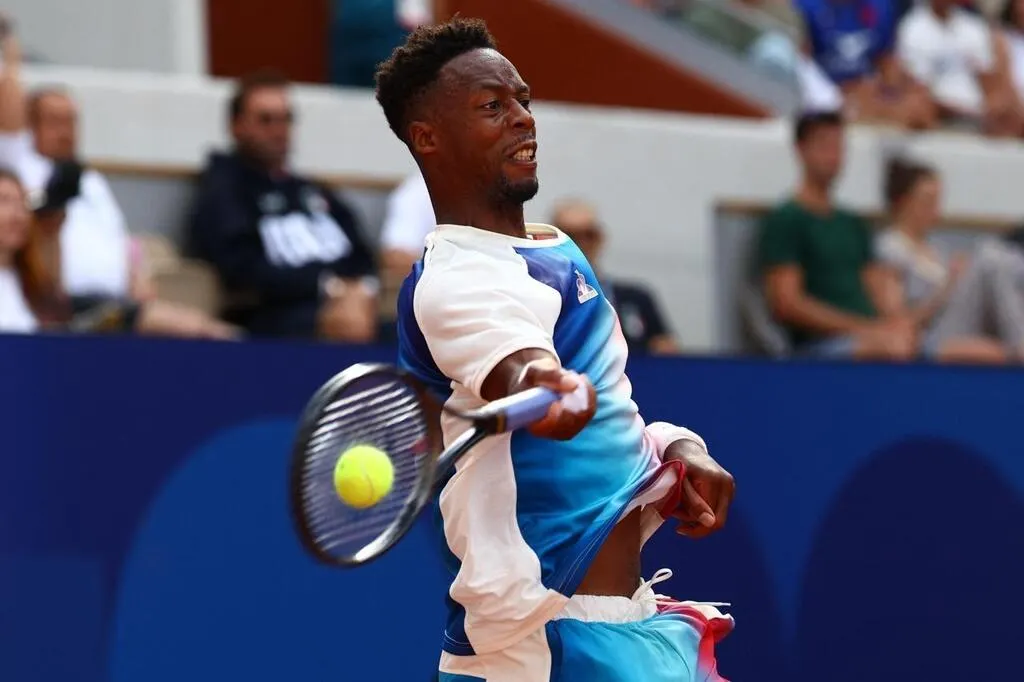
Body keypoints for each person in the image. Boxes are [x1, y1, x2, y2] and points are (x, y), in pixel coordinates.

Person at [376, 18, 735, 681]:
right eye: (492, 107)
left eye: (522, 100)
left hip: (614, 627)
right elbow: (518, 369)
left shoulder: (554, 249)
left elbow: (600, 426)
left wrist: (674, 451)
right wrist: (543, 387)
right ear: (427, 137)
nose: (521, 119)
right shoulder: (455, 283)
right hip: (547, 642)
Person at [187, 70, 378, 340]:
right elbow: (241, 270)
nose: (279, 131)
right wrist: (328, 286)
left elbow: (363, 254)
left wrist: (358, 291)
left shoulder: (313, 190)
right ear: (237, 125)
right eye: (266, 120)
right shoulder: (224, 191)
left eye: (286, 119)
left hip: (352, 307)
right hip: (276, 320)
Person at [759, 111, 915, 360]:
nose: (833, 156)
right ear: (800, 150)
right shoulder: (787, 219)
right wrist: (862, 328)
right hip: (819, 346)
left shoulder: (852, 222)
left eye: (839, 147)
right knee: (890, 348)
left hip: (870, 334)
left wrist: (896, 320)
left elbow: (875, 284)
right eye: (824, 145)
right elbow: (786, 303)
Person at [876, 158, 1020, 362]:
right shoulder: (890, 248)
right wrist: (947, 287)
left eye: (937, 201)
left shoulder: (938, 247)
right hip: (931, 334)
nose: (934, 210)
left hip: (964, 322)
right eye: (927, 201)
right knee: (991, 257)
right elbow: (898, 320)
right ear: (903, 201)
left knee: (1010, 263)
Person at [551, 199, 680, 355]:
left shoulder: (636, 298)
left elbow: (667, 351)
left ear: (601, 238)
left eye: (589, 235)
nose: (581, 243)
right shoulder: (536, 294)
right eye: (570, 235)